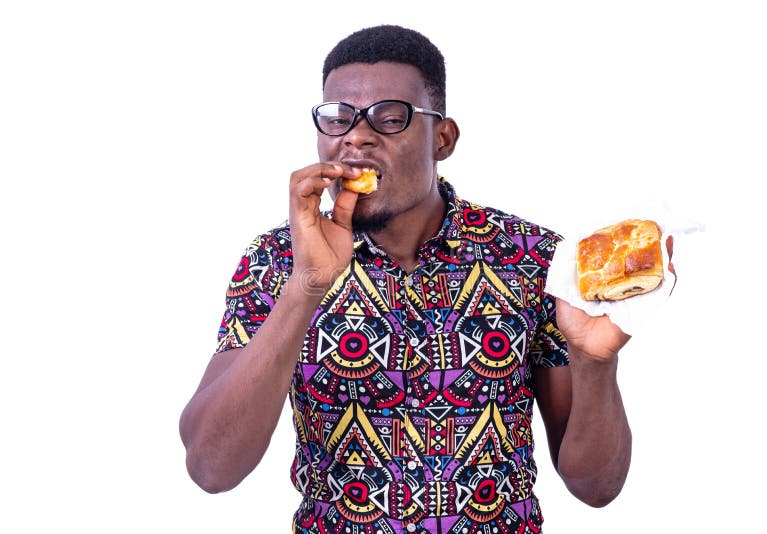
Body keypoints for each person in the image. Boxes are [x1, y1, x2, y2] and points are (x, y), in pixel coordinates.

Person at [179, 24, 632, 534]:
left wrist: (596, 365)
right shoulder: (276, 260)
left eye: (390, 118)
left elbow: (596, 488)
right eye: (338, 119)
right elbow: (211, 469)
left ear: (443, 139)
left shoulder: (534, 257)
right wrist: (306, 286)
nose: (356, 137)